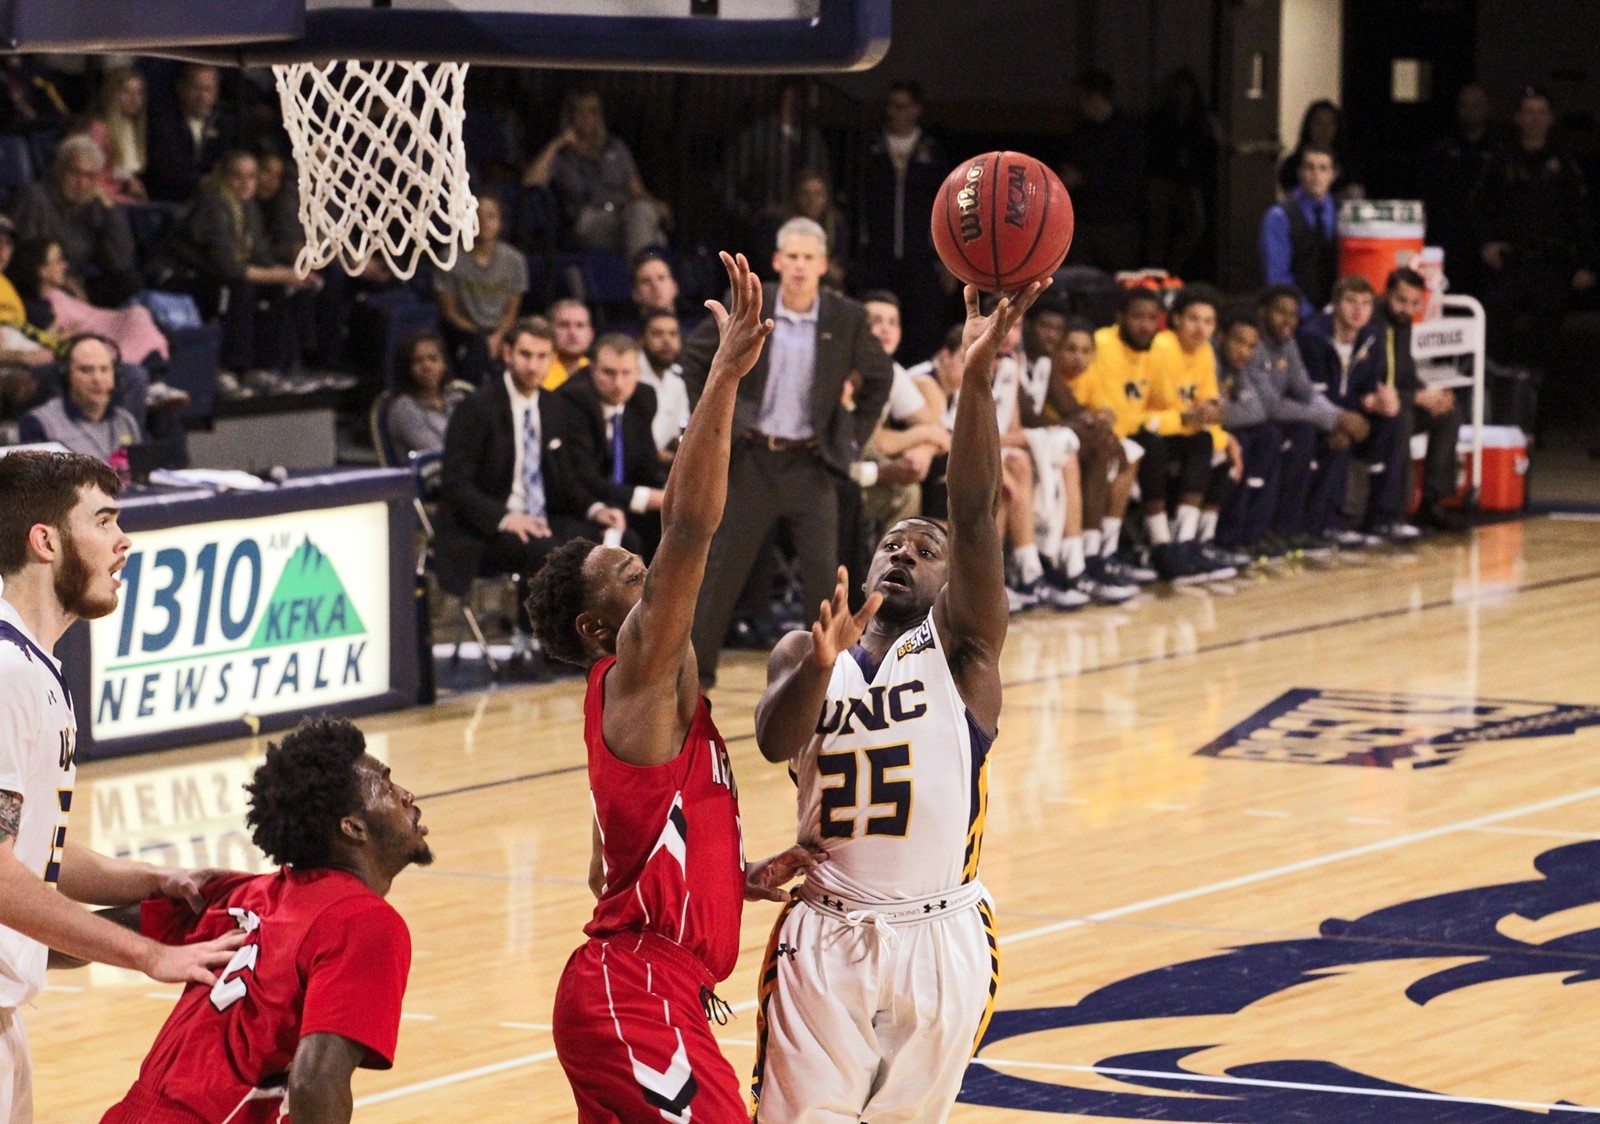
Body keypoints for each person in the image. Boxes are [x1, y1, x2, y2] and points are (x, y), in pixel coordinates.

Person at [524, 252, 817, 1123]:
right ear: (596, 631)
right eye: (626, 578)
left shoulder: (650, 710)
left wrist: (726, 877)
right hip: (635, 995)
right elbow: (691, 522)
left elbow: (601, 870)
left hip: (656, 990)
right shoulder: (637, 672)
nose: (647, 574)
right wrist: (723, 377)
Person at [749, 281, 1045, 1122]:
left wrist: (978, 378)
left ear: (956, 582)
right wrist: (818, 665)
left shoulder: (963, 656)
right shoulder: (808, 651)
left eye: (926, 548)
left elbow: (979, 513)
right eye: (891, 542)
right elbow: (775, 743)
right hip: (825, 933)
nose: (904, 552)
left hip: (941, 935)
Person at [0, 450, 246, 1123]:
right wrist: (147, 954)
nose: (123, 541)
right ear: (45, 541)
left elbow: (27, 847)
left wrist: (149, 882)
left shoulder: (29, 663)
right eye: (104, 521)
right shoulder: (5, 672)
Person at [102, 716, 431, 1123]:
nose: (405, 794)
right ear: (353, 827)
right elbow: (315, 1083)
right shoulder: (366, 922)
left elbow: (80, 937)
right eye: (386, 785)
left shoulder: (243, 894)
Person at [677, 217, 893, 688]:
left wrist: (848, 436)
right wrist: (715, 414)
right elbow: (695, 357)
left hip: (810, 462)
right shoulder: (752, 303)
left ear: (823, 265)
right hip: (752, 457)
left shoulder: (846, 317)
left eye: (808, 258)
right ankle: (694, 680)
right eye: (790, 257)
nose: (798, 266)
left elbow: (881, 378)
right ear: (777, 261)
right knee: (718, 576)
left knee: (823, 577)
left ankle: (828, 682)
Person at [437, 316, 616, 675]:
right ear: (507, 354)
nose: (533, 365)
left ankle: (587, 642)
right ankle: (525, 647)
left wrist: (596, 508)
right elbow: (455, 483)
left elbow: (566, 478)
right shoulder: (477, 408)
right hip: (484, 527)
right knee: (543, 550)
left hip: (539, 518)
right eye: (525, 355)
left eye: (541, 356)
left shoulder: (554, 407)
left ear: (552, 360)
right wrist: (505, 518)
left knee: (601, 542)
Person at [153, 150, 320, 377]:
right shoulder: (214, 204)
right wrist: (285, 275)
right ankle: (233, 368)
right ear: (223, 177)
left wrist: (295, 274)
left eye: (251, 177)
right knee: (242, 290)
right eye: (237, 176)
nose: (245, 184)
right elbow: (231, 268)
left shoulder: (248, 208)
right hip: (180, 278)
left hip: (216, 277)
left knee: (279, 289)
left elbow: (261, 256)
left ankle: (274, 366)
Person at [1474, 86, 1596, 383]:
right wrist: (1485, 244)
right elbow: (1479, 207)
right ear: (1517, 118)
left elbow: (1582, 215)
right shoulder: (1501, 160)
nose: (1535, 118)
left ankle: (1540, 406)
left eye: (1541, 112)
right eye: (1529, 112)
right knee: (1494, 329)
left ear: (1551, 118)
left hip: (1551, 263)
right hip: (1510, 262)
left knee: (1546, 340)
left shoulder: (1564, 163)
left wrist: (1589, 264)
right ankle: (1498, 394)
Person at [1028, 316, 1154, 587]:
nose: (1078, 357)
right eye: (1071, 349)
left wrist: (1106, 426)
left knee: (1130, 453)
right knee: (1097, 450)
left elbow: (1102, 412)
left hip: (1072, 441)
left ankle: (1103, 550)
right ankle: (1076, 556)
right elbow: (1062, 417)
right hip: (1048, 445)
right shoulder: (1046, 369)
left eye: (1085, 351)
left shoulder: (1092, 375)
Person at [1246, 285, 1369, 556]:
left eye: (1294, 314)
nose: (1289, 320)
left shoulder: (1288, 343)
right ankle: (1268, 529)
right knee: (1298, 435)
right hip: (1250, 421)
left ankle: (1309, 526)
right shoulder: (1251, 343)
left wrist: (1338, 420)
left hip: (1277, 420)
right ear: (1262, 311)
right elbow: (1271, 406)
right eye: (1280, 312)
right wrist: (1335, 418)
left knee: (1330, 439)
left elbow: (1306, 392)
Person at [1297, 275, 1417, 543]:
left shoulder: (1372, 337)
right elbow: (1315, 394)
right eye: (1351, 302)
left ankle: (1384, 518)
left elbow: (1365, 385)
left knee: (1393, 422)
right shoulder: (1313, 336)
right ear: (1335, 305)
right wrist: (1344, 417)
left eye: (1366, 303)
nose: (1359, 310)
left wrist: (1376, 400)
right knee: (1340, 436)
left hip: (1349, 413)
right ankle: (1328, 523)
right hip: (1316, 416)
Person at [1142, 284, 1245, 577]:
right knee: (1195, 442)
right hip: (1151, 431)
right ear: (1176, 319)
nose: (1201, 328)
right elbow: (1143, 409)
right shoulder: (1161, 347)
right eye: (1193, 319)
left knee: (1213, 446)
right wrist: (1187, 417)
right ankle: (1162, 544)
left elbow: (1209, 407)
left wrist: (1222, 432)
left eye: (1208, 321)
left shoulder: (1205, 353)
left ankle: (1192, 542)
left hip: (1185, 433)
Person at [547, 333, 667, 558]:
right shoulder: (572, 401)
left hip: (621, 499)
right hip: (580, 504)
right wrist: (646, 497)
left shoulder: (644, 397)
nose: (618, 383)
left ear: (638, 373)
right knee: (626, 539)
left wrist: (668, 493)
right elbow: (583, 476)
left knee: (677, 524)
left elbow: (647, 464)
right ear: (592, 369)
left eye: (626, 373)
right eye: (609, 373)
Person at [855, 82, 948, 362]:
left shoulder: (934, 151)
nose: (896, 112)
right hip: (878, 253)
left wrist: (946, 259)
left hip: (921, 255)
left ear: (917, 109)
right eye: (891, 105)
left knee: (922, 328)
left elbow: (947, 206)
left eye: (903, 105)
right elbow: (857, 201)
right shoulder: (870, 148)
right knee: (876, 322)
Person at [523, 89, 669, 259]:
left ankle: (639, 276)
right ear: (570, 116)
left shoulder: (615, 148)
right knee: (655, 240)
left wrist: (655, 204)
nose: (586, 118)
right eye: (580, 112)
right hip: (588, 220)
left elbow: (636, 190)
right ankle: (641, 277)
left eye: (591, 112)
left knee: (644, 214)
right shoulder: (561, 157)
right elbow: (529, 181)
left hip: (622, 214)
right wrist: (557, 143)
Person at [7, 136, 141, 307]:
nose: (82, 183)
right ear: (58, 169)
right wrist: (65, 282)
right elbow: (24, 260)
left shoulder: (95, 207)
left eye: (89, 176)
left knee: (129, 281)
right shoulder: (33, 197)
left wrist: (109, 210)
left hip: (77, 286)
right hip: (40, 286)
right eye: (75, 173)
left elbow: (120, 262)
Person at [1383, 268, 1465, 533]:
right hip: (1375, 403)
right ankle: (1397, 507)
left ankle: (1433, 501)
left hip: (1400, 398)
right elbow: (1371, 380)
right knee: (1402, 418)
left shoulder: (1404, 323)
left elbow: (1405, 374)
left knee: (1448, 411)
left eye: (1414, 303)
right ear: (1387, 295)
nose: (1407, 308)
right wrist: (1416, 397)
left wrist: (1431, 396)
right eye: (1401, 300)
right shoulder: (1372, 323)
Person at [434, 194, 528, 385]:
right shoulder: (450, 257)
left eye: (490, 216)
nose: (483, 222)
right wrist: (482, 337)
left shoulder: (514, 260)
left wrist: (498, 336)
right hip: (463, 332)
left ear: (501, 222)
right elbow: (449, 312)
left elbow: (512, 311)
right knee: (475, 350)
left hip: (504, 329)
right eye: (476, 216)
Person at [1057, 70, 1145, 273]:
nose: (1078, 104)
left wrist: (1084, 179)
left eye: (1081, 97)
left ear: (1094, 96)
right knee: (1078, 281)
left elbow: (1128, 178)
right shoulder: (1081, 130)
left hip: (1117, 223)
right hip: (1085, 220)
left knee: (1119, 282)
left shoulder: (1128, 132)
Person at [1420, 83, 1502, 298]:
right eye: (1465, 105)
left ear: (1487, 109)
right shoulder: (1442, 147)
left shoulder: (1500, 150)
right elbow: (1430, 193)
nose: (1470, 111)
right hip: (1448, 238)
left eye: (1476, 105)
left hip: (1485, 240)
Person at [19, 335, 144, 472]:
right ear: (67, 376)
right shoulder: (40, 423)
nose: (97, 379)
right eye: (86, 370)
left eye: (104, 369)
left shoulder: (126, 421)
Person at [1143, 68, 1217, 275]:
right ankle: (1154, 275)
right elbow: (1154, 149)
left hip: (1189, 180)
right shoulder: (1161, 117)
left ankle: (1172, 269)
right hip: (1162, 178)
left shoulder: (1201, 119)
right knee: (1157, 231)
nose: (1182, 93)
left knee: (1196, 226)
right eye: (1178, 88)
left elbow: (1212, 146)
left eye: (1187, 88)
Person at [1259, 146, 1340, 318]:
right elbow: (1278, 278)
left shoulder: (1343, 212)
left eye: (1323, 168)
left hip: (1339, 315)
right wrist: (1311, 316)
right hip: (1296, 316)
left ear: (1333, 175)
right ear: (1300, 172)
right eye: (1309, 167)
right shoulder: (1279, 216)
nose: (1316, 176)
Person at [144, 64, 232, 204]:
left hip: (213, 202)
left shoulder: (224, 123)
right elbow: (166, 167)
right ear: (180, 87)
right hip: (168, 200)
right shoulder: (162, 121)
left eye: (208, 89)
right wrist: (200, 182)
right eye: (196, 88)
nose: (202, 96)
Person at [385, 330, 467, 460]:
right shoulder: (403, 408)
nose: (427, 366)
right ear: (406, 368)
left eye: (433, 359)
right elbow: (436, 452)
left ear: (444, 364)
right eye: (417, 361)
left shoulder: (456, 397)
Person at [81, 68, 148, 204]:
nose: (134, 98)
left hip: (122, 200)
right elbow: (91, 182)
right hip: (103, 204)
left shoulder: (132, 129)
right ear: (112, 94)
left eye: (139, 92)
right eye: (126, 92)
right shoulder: (98, 130)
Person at [1277, 99, 1363, 199]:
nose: (1324, 129)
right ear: (1308, 126)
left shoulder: (1349, 163)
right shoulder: (1292, 164)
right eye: (1318, 123)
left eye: (1330, 123)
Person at [636, 307, 690, 459]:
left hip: (660, 467)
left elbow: (678, 432)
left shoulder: (677, 380)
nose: (667, 341)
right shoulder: (626, 376)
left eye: (673, 334)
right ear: (641, 340)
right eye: (657, 334)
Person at [542, 298, 594, 391]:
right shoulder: (537, 369)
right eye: (564, 325)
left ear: (591, 334)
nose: (572, 333)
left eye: (580, 325)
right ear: (548, 332)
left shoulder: (596, 371)